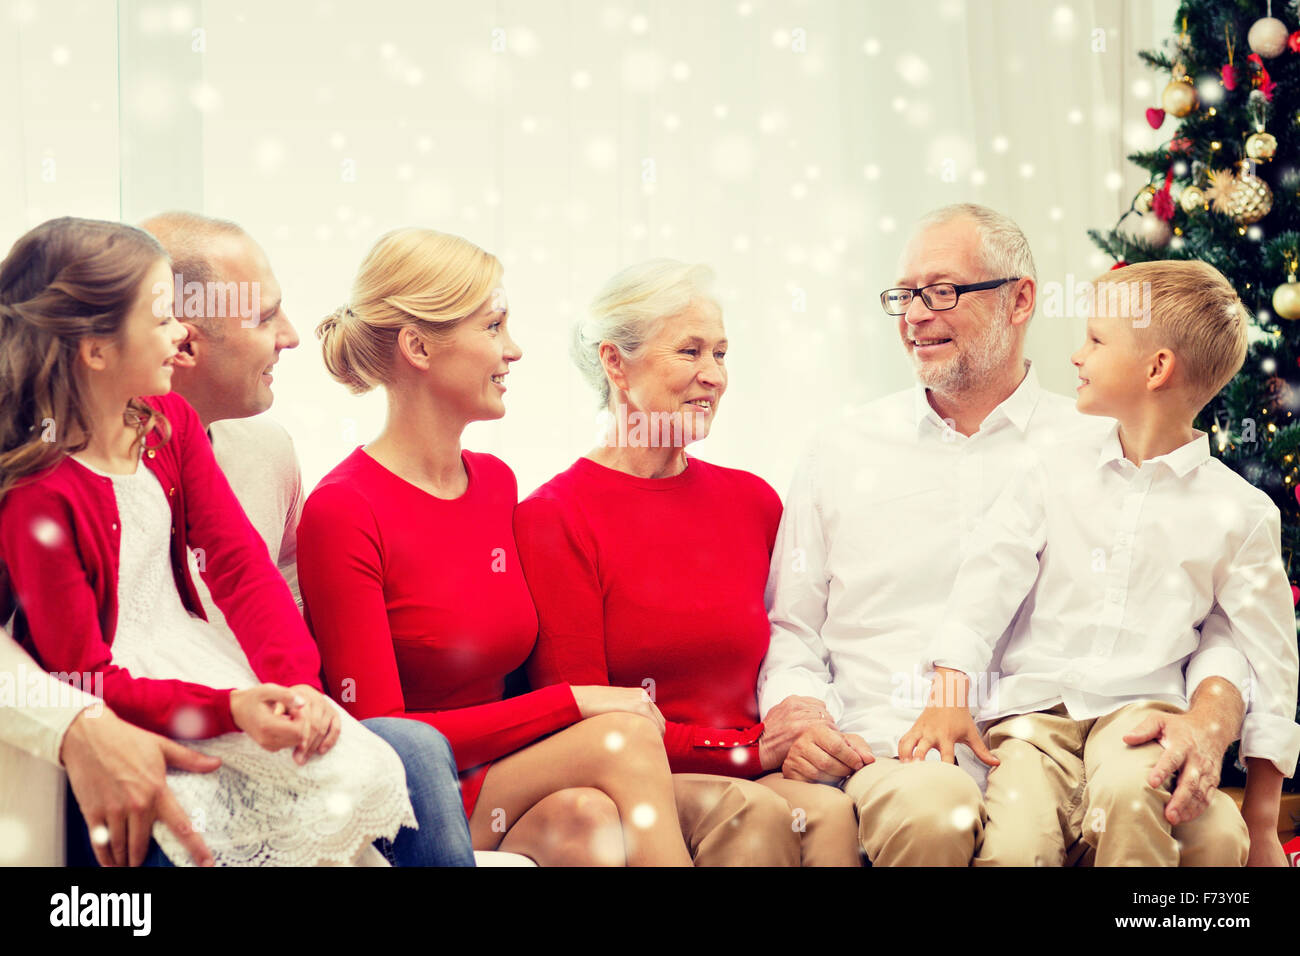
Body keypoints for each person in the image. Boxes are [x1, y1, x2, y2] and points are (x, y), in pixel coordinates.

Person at [759, 203, 1249, 865]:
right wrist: (801, 712)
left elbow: (1209, 606)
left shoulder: (1107, 442)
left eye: (941, 291)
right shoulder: (841, 450)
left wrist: (1211, 719)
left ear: (1020, 301)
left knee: (1215, 834)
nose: (914, 315)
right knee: (939, 810)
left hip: (1076, 752)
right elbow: (791, 625)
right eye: (905, 295)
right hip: (902, 752)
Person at [0, 217, 414, 867]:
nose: (183, 334)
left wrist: (297, 682)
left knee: (369, 773)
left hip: (202, 677)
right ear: (97, 349)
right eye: (164, 318)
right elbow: (82, 672)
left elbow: (239, 563)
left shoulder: (169, 424)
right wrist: (233, 707)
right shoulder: (37, 499)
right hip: (139, 704)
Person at [298, 227, 692, 866]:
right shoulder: (344, 507)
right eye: (494, 326)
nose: (513, 351)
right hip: (415, 790)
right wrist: (574, 703)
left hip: (497, 776)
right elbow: (384, 737)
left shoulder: (496, 484)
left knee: (585, 820)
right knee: (622, 739)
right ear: (419, 347)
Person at [903, 259, 1296, 866]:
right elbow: (988, 579)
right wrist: (949, 689)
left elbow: (1269, 665)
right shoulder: (1048, 466)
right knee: (1013, 847)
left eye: (1094, 339)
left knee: (1134, 801)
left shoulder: (1240, 513)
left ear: (1156, 368)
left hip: (1142, 720)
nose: (1075, 356)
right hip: (1031, 723)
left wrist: (1264, 823)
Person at [141, 210, 473, 867]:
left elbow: (279, 605)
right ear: (181, 339)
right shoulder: (79, 472)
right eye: (265, 318)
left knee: (415, 748)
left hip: (264, 728)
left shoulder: (267, 453)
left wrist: (299, 696)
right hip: (167, 743)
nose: (292, 336)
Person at [515, 258, 860, 866]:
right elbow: (582, 721)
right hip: (640, 778)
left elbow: (796, 645)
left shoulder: (753, 501)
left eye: (721, 354)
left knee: (831, 812)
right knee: (750, 810)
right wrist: (751, 753)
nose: (713, 376)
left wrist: (804, 725)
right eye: (690, 352)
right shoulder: (557, 516)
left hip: (749, 763)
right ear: (615, 363)